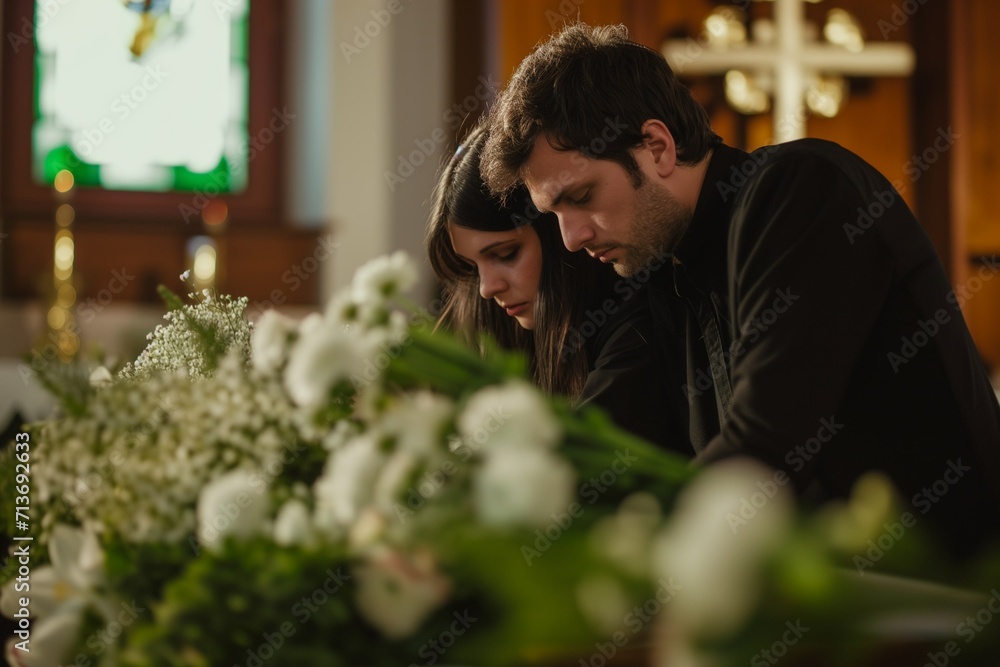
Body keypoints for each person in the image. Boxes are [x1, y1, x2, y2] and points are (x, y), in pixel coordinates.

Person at [479, 23, 1000, 556]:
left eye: (582, 195)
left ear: (657, 146)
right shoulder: (660, 267)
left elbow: (764, 452)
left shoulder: (803, 190)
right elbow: (611, 446)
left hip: (957, 597)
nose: (571, 238)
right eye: (555, 214)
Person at [427, 123, 691, 455]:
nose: (486, 289)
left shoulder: (640, 333)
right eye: (472, 266)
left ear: (559, 223)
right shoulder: (528, 339)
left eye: (506, 254)